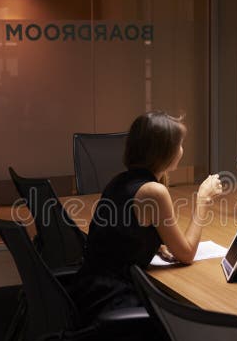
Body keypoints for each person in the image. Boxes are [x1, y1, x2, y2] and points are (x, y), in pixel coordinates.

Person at [72, 111, 223, 322]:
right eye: (179, 145)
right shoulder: (153, 192)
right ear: (165, 152)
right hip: (114, 300)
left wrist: (157, 245)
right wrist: (203, 200)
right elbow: (187, 254)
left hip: (89, 290)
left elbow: (122, 235)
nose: (182, 150)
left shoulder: (119, 181)